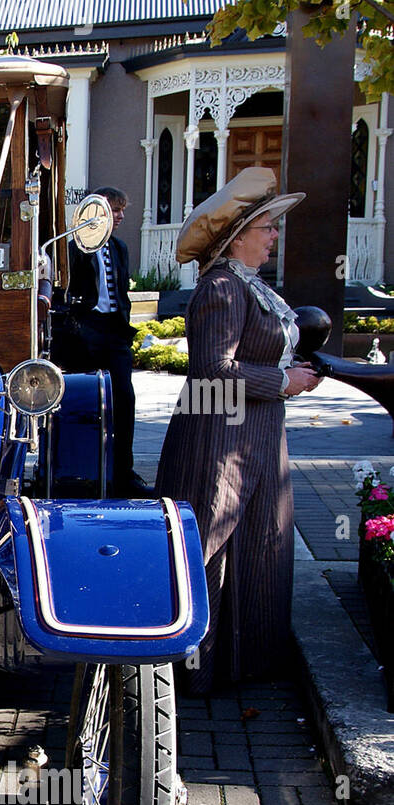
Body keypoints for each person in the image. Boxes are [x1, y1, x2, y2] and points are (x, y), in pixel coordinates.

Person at [154, 167, 320, 695]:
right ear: (237, 235)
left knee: (256, 538)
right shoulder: (222, 289)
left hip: (256, 434)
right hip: (220, 439)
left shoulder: (252, 286)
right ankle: (190, 667)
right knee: (212, 539)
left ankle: (242, 661)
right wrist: (283, 381)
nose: (275, 236)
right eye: (267, 227)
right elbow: (211, 372)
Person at [66, 186, 150, 496]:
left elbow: (122, 294)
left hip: (114, 333)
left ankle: (123, 474)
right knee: (85, 402)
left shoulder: (120, 247)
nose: (121, 216)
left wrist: (125, 327)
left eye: (122, 210)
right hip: (83, 333)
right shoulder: (74, 247)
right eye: (115, 210)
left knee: (124, 400)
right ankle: (82, 473)